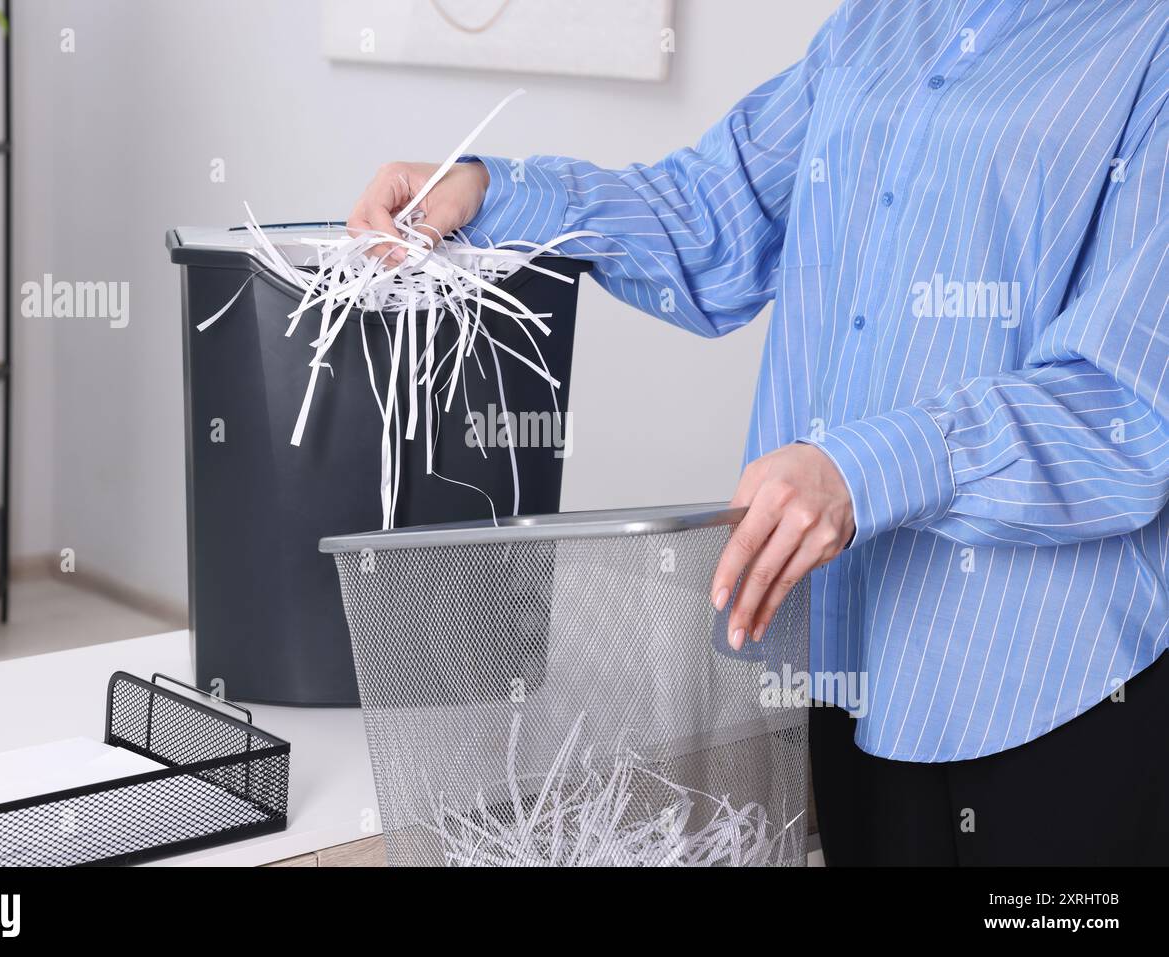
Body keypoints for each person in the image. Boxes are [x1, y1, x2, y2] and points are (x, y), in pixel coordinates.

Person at [347, 0, 1169, 865]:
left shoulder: (1146, 39)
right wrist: (493, 190)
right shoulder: (882, 22)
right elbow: (713, 219)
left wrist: (867, 469)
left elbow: (1131, 403)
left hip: (1054, 683)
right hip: (846, 655)